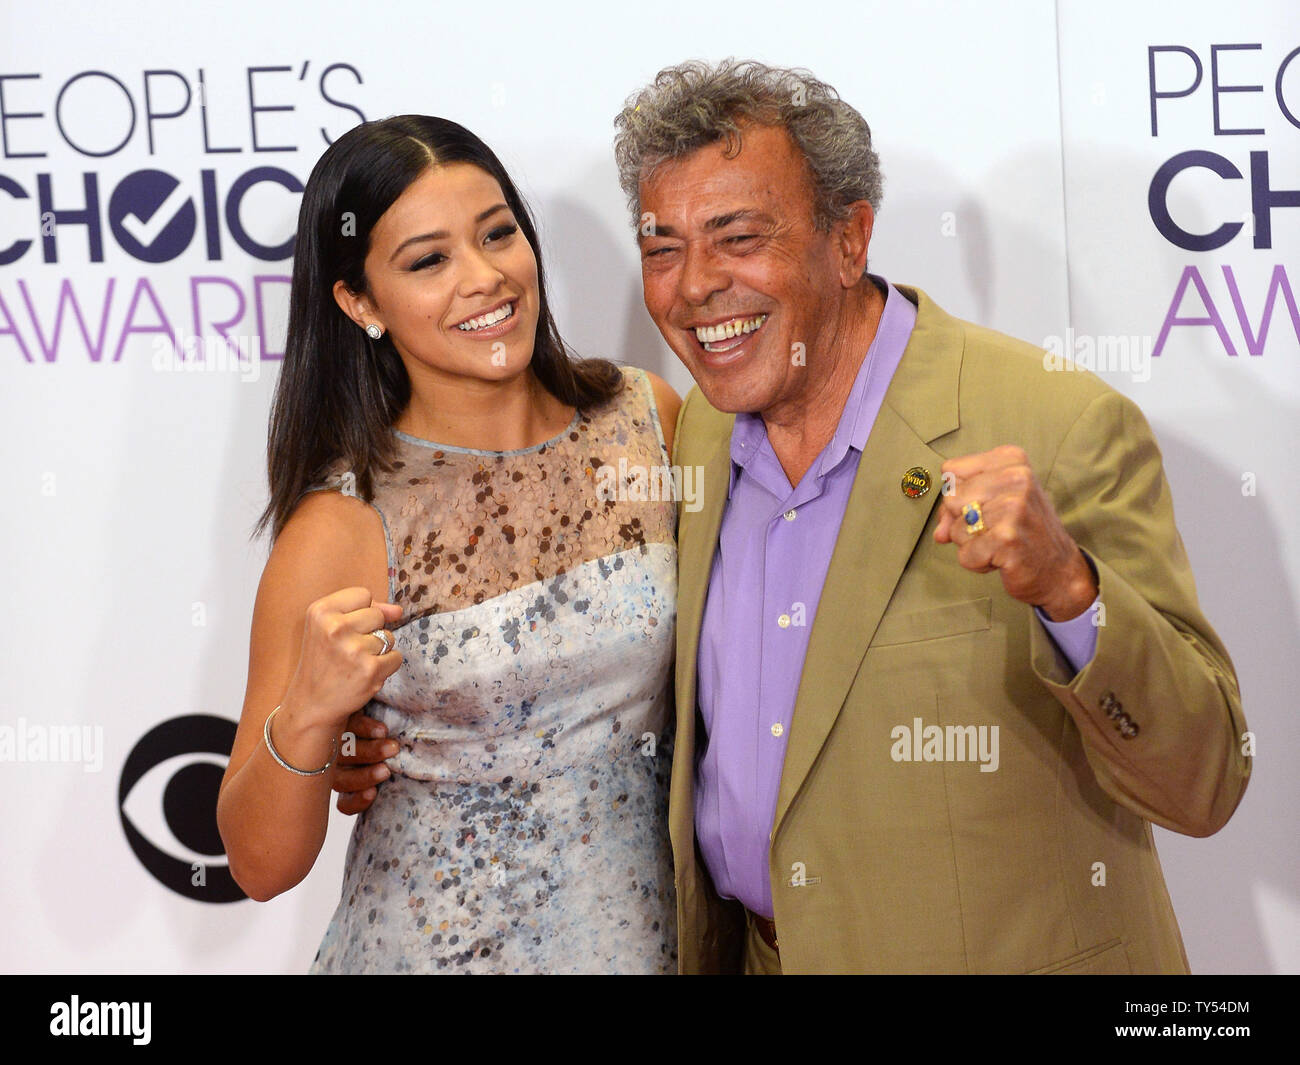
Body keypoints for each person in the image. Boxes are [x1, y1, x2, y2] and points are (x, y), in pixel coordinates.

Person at [609, 59, 1251, 974]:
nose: (693, 286)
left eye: (737, 236)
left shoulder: (1059, 424)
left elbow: (1207, 779)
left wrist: (1071, 590)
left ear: (850, 238)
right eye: (662, 247)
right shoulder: (696, 431)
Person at [216, 114, 682, 974]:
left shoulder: (645, 419)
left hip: (641, 942)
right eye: (428, 260)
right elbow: (259, 863)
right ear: (360, 303)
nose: (485, 277)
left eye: (498, 234)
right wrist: (313, 716)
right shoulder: (342, 524)